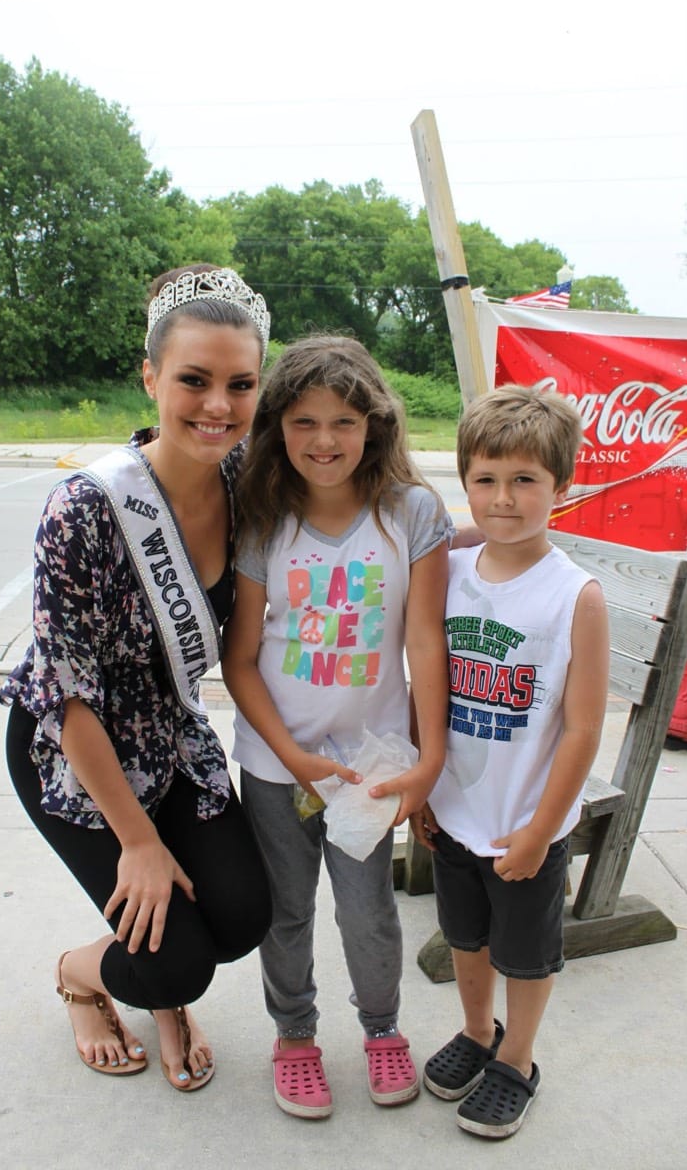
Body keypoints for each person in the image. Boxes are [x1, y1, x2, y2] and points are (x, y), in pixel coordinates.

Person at [0, 264, 272, 1090]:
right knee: (177, 964)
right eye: (193, 380)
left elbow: (357, 506)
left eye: (240, 384)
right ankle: (86, 973)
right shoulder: (83, 509)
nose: (217, 406)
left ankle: (153, 972)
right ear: (151, 376)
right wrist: (141, 842)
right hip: (72, 751)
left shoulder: (247, 476)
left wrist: (490, 531)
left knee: (242, 918)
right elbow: (66, 693)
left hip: (171, 740)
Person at [221, 335, 452, 1119]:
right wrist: (289, 755)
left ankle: (382, 1030)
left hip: (372, 771)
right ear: (278, 427)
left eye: (345, 422)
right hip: (277, 769)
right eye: (305, 422)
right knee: (285, 911)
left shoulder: (411, 513)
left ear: (376, 425)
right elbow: (242, 659)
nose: (325, 442)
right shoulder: (260, 519)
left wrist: (429, 763)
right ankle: (294, 1038)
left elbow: (426, 646)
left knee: (368, 911)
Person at [418, 384, 609, 1139]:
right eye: (487, 479)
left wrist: (538, 831)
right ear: (465, 483)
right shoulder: (452, 574)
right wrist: (426, 791)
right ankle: (476, 1032)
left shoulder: (575, 597)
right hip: (455, 812)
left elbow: (583, 730)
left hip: (526, 825)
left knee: (526, 956)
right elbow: (426, 687)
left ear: (561, 489)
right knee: (467, 940)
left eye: (526, 480)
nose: (504, 498)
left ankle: (519, 1059)